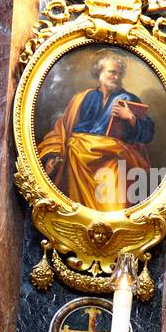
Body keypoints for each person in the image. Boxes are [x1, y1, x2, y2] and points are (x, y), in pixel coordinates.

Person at [37, 50, 154, 211]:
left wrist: (131, 118)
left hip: (113, 160)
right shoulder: (81, 98)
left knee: (113, 209)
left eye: (120, 74)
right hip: (77, 162)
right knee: (77, 211)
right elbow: (61, 129)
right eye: (112, 72)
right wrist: (53, 155)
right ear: (99, 72)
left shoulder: (130, 100)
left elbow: (148, 134)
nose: (117, 77)